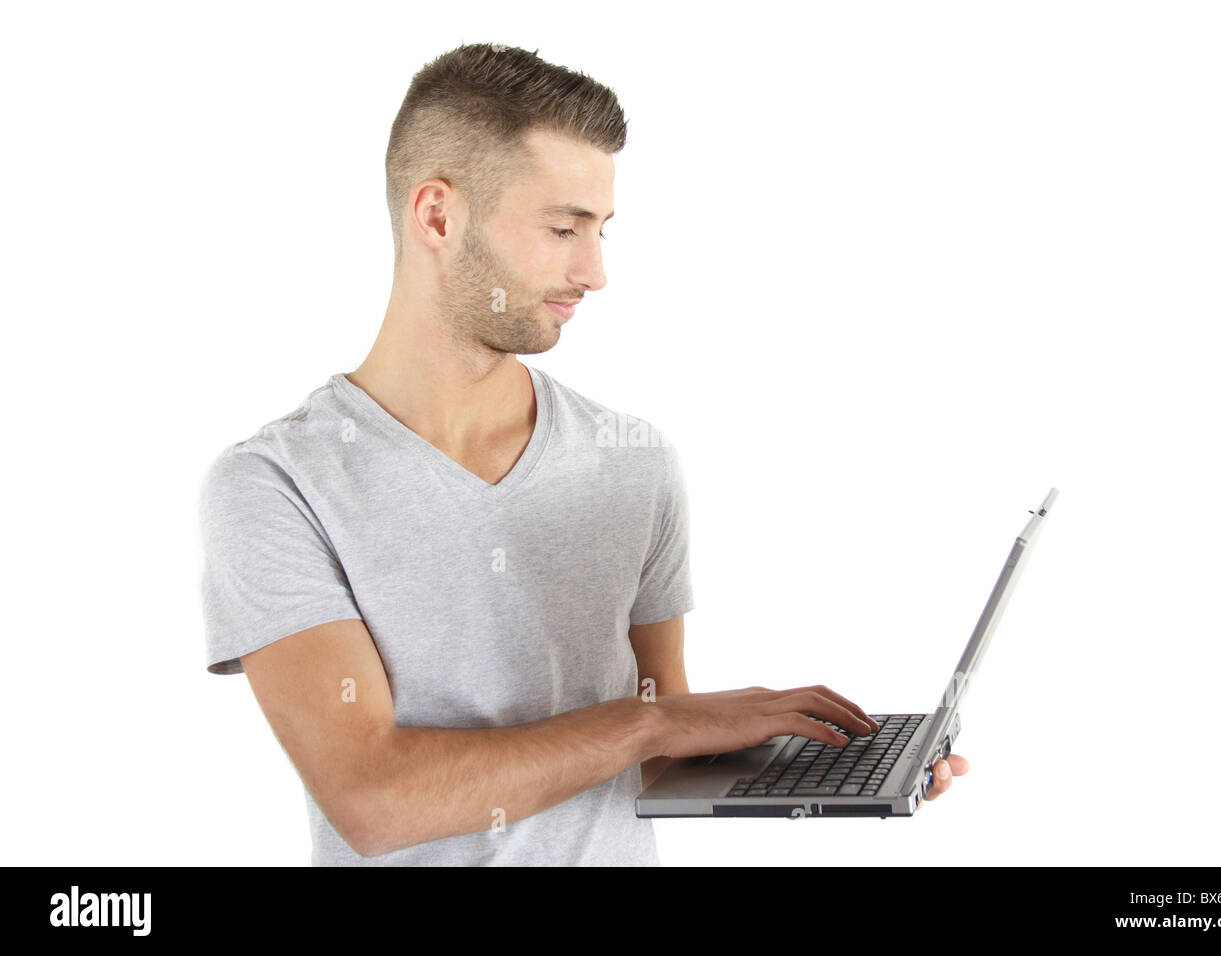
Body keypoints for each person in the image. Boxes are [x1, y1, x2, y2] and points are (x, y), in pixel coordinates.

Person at [197, 42, 967, 866]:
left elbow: (663, 748)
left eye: (599, 230)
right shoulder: (278, 485)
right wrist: (651, 723)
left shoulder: (633, 462)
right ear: (437, 216)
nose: (594, 272)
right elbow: (374, 798)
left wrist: (830, 766)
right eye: (564, 228)